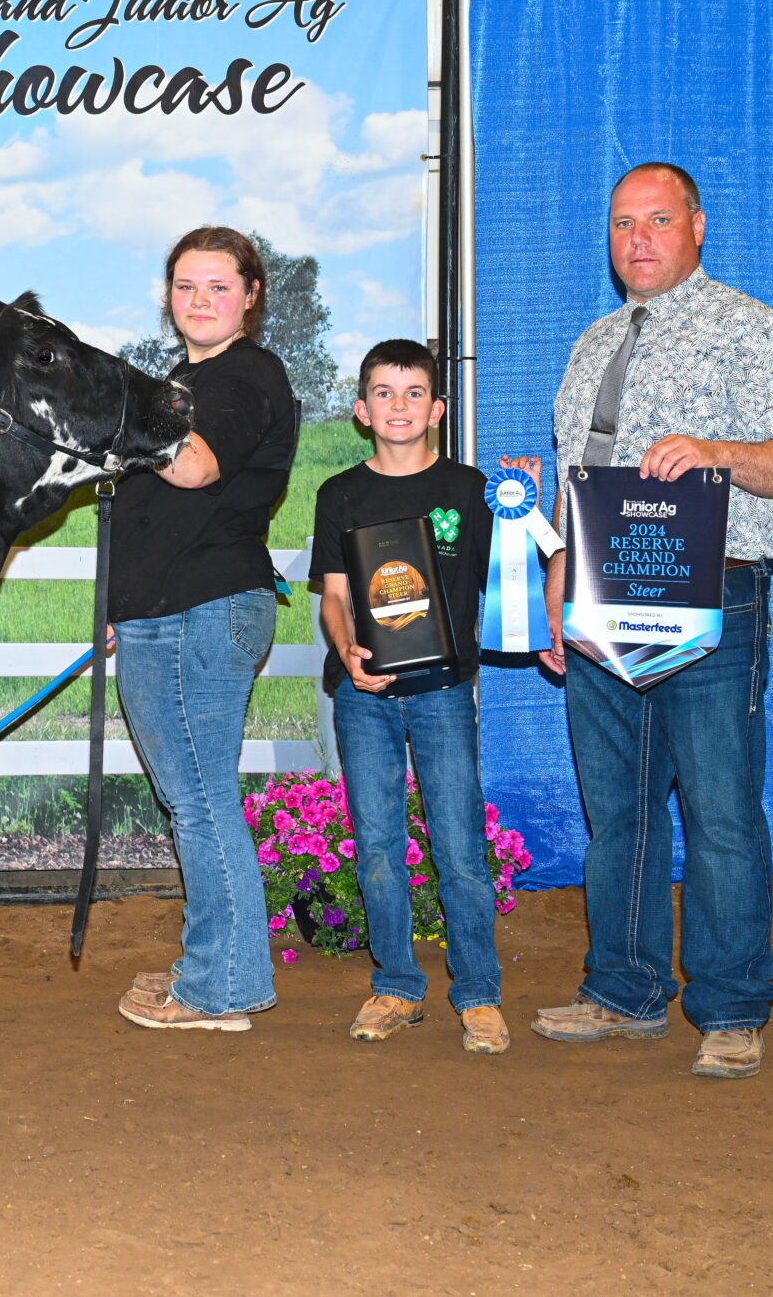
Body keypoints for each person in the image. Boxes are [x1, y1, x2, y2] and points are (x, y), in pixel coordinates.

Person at [532, 162, 773, 1079]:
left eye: (658, 220)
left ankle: (732, 1006)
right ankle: (624, 988)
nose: (638, 239)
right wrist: (558, 580)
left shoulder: (755, 330)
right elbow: (576, 478)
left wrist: (716, 453)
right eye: (623, 223)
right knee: (618, 812)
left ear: (698, 226)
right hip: (602, 600)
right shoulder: (591, 343)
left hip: (715, 596)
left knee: (722, 811)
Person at [113, 226, 300, 1032]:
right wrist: (124, 604)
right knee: (192, 796)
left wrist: (113, 414)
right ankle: (217, 966)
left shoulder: (244, 374)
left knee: (197, 799)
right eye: (186, 285)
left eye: (219, 286)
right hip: (170, 609)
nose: (200, 300)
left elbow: (194, 467)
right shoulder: (186, 380)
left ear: (251, 296)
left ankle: (219, 987)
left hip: (202, 607)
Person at [312, 339, 507, 1054]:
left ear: (438, 409)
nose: (400, 406)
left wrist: (524, 513)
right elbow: (335, 597)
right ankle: (397, 984)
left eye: (415, 392)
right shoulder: (339, 494)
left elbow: (504, 578)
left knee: (460, 846)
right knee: (377, 847)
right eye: (385, 393)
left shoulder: (471, 490)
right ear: (362, 410)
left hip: (444, 692)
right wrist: (347, 651)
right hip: (363, 695)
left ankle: (479, 993)